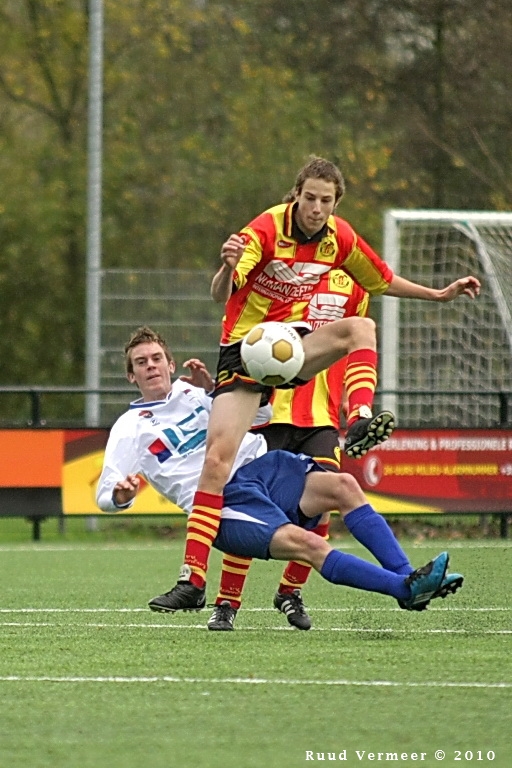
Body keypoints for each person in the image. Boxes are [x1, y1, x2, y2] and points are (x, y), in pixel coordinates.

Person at [163, 156, 480, 612]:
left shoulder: (340, 237)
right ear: (296, 194)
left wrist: (437, 294)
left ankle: (361, 417)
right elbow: (221, 294)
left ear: (335, 202)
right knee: (217, 460)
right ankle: (192, 580)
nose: (316, 207)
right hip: (245, 352)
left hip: (292, 349)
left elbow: (382, 279)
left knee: (361, 328)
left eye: (325, 200)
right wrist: (225, 267)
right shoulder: (266, 230)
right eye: (309, 197)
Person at [95, 326, 464, 621]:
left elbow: (260, 418)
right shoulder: (130, 426)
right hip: (224, 502)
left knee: (344, 486)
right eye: (141, 362)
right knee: (311, 546)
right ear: (131, 376)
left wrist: (219, 393)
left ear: (171, 364)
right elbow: (105, 493)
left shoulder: (195, 395)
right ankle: (404, 589)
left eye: (157, 358)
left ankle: (411, 577)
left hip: (264, 467)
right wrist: (121, 495)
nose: (151, 366)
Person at [208, 267, 370, 630]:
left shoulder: (353, 285)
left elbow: (355, 347)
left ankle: (290, 592)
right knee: (249, 507)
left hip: (319, 417)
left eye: (324, 205)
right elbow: (230, 310)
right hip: (267, 415)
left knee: (326, 504)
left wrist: (356, 406)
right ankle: (227, 602)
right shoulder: (273, 275)